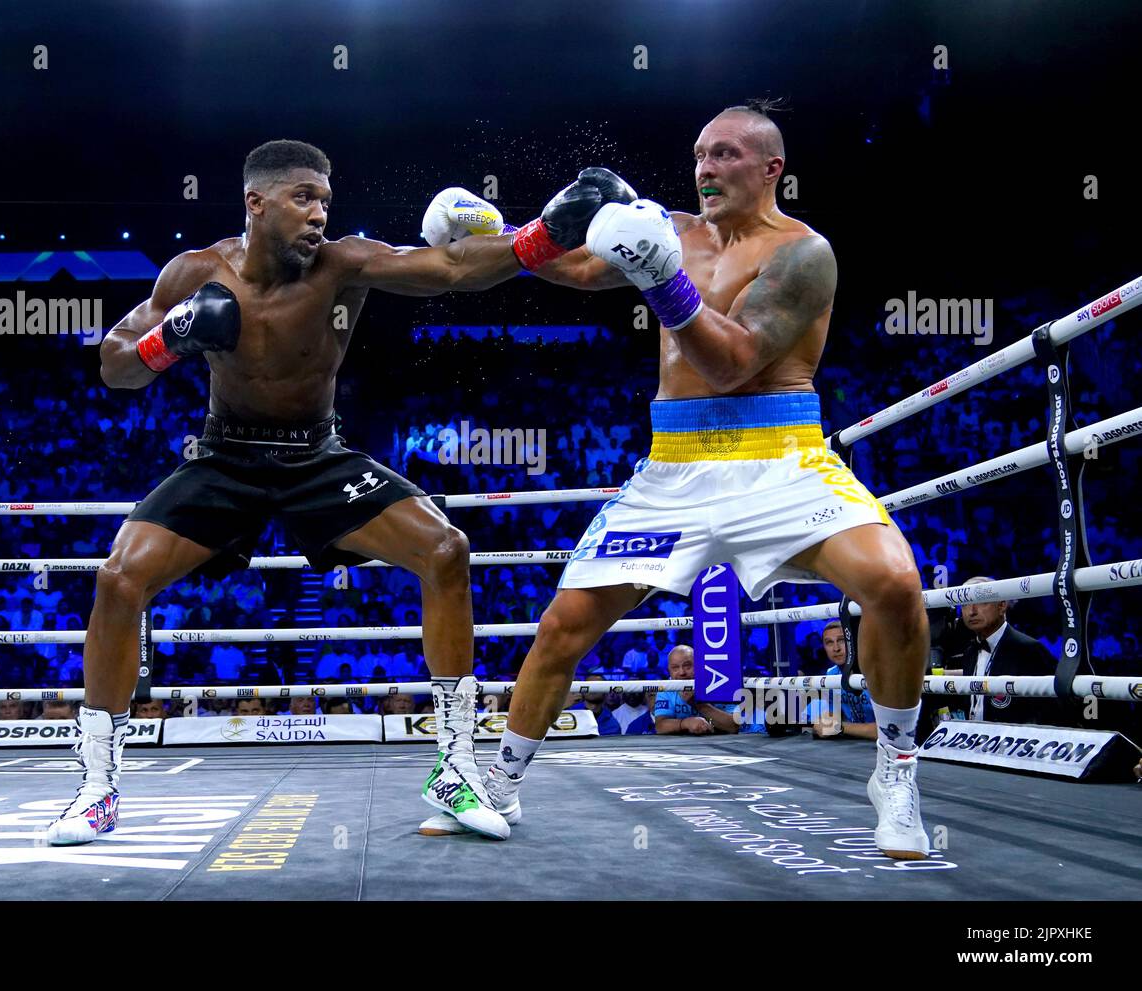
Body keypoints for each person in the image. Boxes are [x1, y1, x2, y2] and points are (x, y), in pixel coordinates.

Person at [47, 139, 634, 845]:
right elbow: (114, 367)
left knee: (445, 547)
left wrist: (539, 237)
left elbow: (447, 265)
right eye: (303, 198)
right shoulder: (196, 271)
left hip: (317, 456)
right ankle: (97, 786)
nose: (320, 214)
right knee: (119, 577)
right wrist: (168, 340)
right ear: (255, 203)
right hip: (224, 457)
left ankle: (455, 766)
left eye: (325, 199)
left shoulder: (344, 262)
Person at [427, 103, 933, 859]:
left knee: (893, 584)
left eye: (726, 154)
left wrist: (660, 278)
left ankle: (896, 769)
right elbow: (571, 262)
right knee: (565, 625)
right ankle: (500, 780)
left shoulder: (805, 253)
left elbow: (731, 362)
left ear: (771, 169)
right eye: (699, 154)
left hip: (781, 456)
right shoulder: (671, 229)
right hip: (675, 467)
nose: (705, 168)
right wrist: (495, 230)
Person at [952, 577, 1060, 725]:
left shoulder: (1029, 650)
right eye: (965, 604)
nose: (971, 611)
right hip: (975, 742)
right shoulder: (970, 652)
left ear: (1002, 605)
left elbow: (1052, 710)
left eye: (980, 601)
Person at [809, 619, 877, 740]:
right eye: (829, 642)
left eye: (841, 640)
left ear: (853, 642)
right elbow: (832, 719)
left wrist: (840, 728)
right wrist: (821, 725)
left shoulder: (875, 672)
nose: (836, 648)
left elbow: (888, 732)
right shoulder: (831, 675)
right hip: (854, 745)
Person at [652, 645, 738, 735]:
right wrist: (686, 723)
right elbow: (660, 726)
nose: (682, 672)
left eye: (687, 666)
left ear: (699, 665)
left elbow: (733, 726)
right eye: (675, 668)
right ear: (669, 670)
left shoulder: (719, 682)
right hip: (682, 745)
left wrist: (700, 705)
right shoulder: (667, 688)